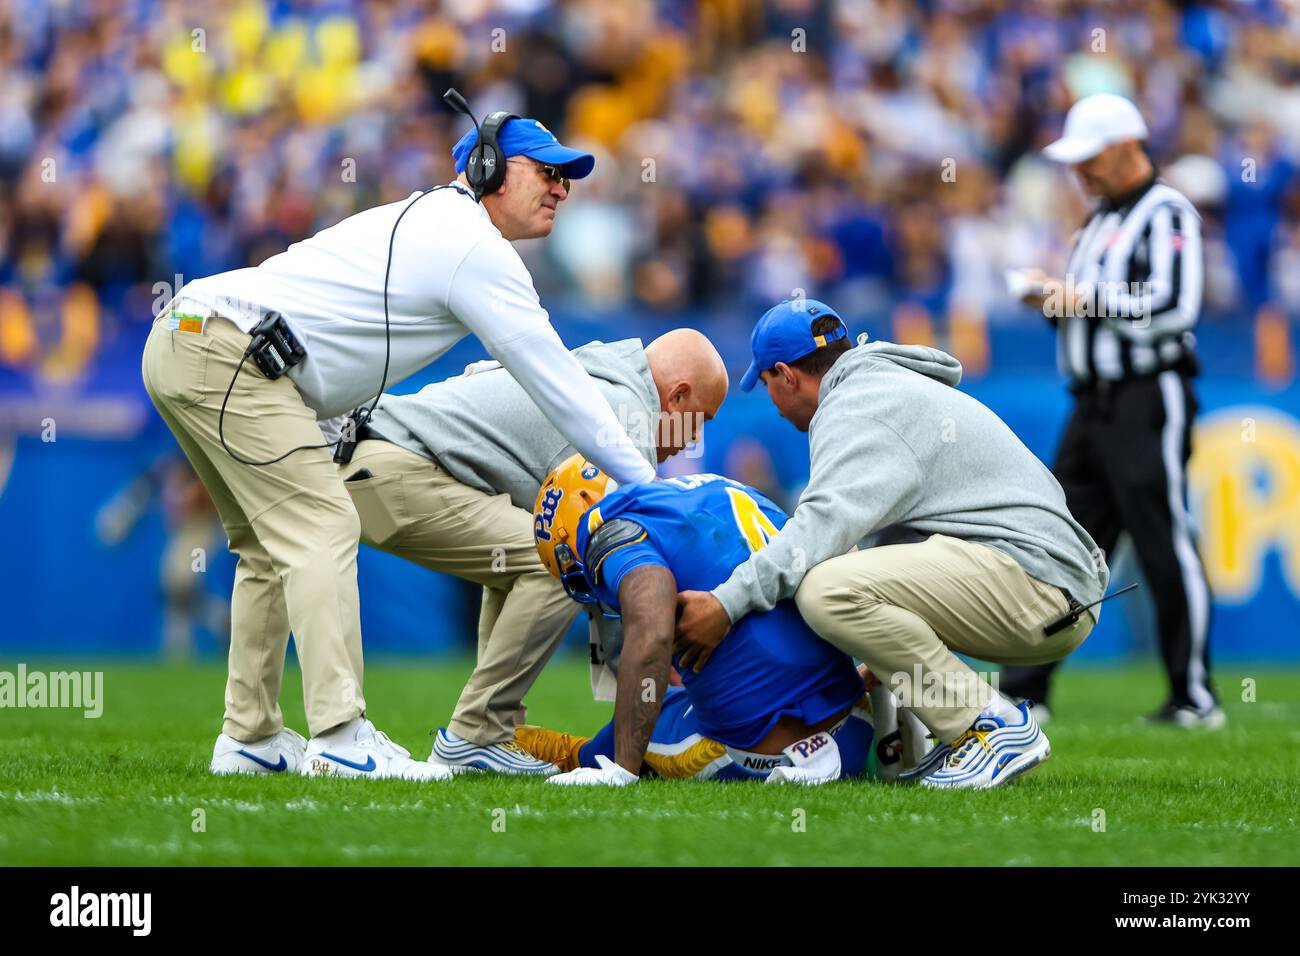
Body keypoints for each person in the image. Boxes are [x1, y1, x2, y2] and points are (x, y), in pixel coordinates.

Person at [142, 112, 659, 781]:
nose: (562, 188)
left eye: (567, 177)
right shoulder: (474, 247)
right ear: (488, 171)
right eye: (546, 171)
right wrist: (648, 489)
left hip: (191, 338)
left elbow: (333, 342)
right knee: (323, 524)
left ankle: (251, 737)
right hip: (230, 349)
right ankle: (340, 737)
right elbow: (563, 387)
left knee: (267, 549)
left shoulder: (431, 225)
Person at [674, 299, 1109, 789]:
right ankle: (931, 743)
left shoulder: (860, 405)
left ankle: (993, 727)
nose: (771, 400)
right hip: (1045, 581)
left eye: (768, 383)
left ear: (785, 375)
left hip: (1038, 584)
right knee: (846, 576)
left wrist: (724, 604)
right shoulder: (882, 388)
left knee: (825, 589)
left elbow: (815, 534)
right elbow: (896, 549)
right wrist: (884, 652)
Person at [339, 330, 727, 774]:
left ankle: (493, 734)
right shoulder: (624, 415)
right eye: (703, 419)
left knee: (531, 554)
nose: (695, 437)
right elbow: (618, 571)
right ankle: (477, 732)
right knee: (559, 567)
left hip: (373, 460)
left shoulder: (596, 374)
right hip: (394, 469)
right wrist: (655, 690)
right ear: (677, 397)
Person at [1003, 93, 1221, 728]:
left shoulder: (1168, 212)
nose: (1081, 172)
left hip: (1148, 396)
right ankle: (1027, 690)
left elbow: (1176, 308)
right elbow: (1094, 315)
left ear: (1129, 145)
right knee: (1059, 540)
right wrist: (1055, 304)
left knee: (1162, 537)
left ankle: (1193, 695)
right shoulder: (1095, 223)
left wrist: (1079, 298)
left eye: (1090, 157)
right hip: (1091, 402)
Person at [530, 458, 879, 787]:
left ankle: (573, 754)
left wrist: (624, 768)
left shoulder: (605, 525)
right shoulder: (723, 488)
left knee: (655, 705)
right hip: (855, 725)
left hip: (767, 757)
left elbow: (651, 628)